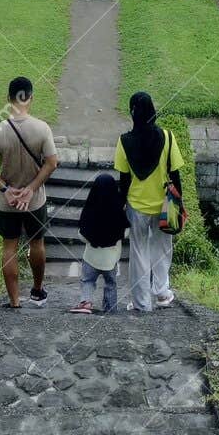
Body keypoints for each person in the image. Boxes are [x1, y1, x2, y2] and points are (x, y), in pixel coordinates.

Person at [0, 77, 58, 309]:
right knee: (37, 243)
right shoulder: (42, 128)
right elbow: (52, 163)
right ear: (30, 97)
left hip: (8, 202)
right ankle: (37, 289)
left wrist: (6, 190)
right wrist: (31, 189)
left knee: (9, 247)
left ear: (8, 99)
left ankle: (14, 300)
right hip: (34, 200)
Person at [114, 92, 182, 314]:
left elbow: (124, 180)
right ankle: (162, 292)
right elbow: (175, 174)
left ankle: (141, 302)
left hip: (137, 205)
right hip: (164, 204)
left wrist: (121, 205)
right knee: (162, 249)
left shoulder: (124, 141)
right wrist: (179, 204)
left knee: (139, 253)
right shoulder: (168, 137)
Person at [70, 172, 125, 315]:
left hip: (91, 257)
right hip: (111, 259)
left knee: (88, 280)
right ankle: (110, 307)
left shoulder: (90, 209)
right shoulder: (119, 211)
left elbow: (82, 235)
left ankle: (86, 302)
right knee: (111, 283)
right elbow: (125, 233)